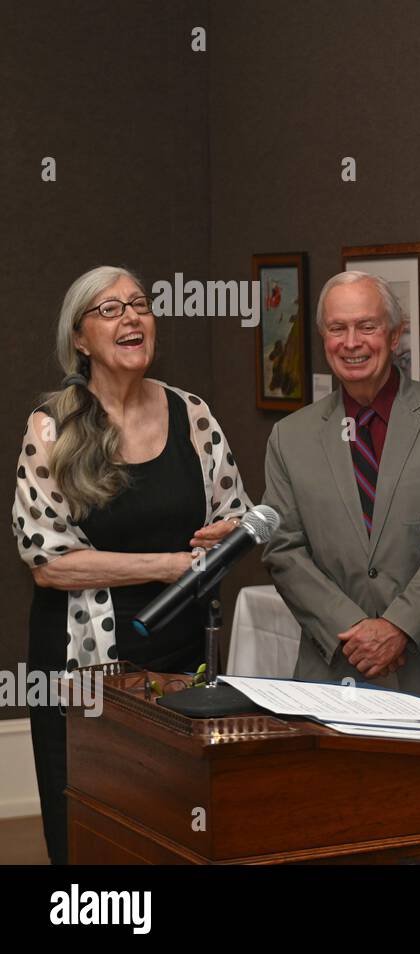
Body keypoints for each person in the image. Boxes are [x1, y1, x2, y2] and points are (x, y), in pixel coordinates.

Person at [12, 265, 249, 864]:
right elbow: (48, 562)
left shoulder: (192, 413)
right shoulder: (51, 428)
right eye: (110, 309)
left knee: (177, 822)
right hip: (83, 664)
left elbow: (238, 515)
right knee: (92, 826)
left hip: (185, 657)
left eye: (140, 304)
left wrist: (229, 535)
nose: (131, 317)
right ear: (80, 339)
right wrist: (168, 565)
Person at [261, 271, 420, 703]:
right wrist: (353, 630)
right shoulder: (290, 437)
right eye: (337, 328)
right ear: (323, 338)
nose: (351, 342)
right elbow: (283, 549)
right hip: (334, 674)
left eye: (367, 326)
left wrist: (400, 626)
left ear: (394, 335)